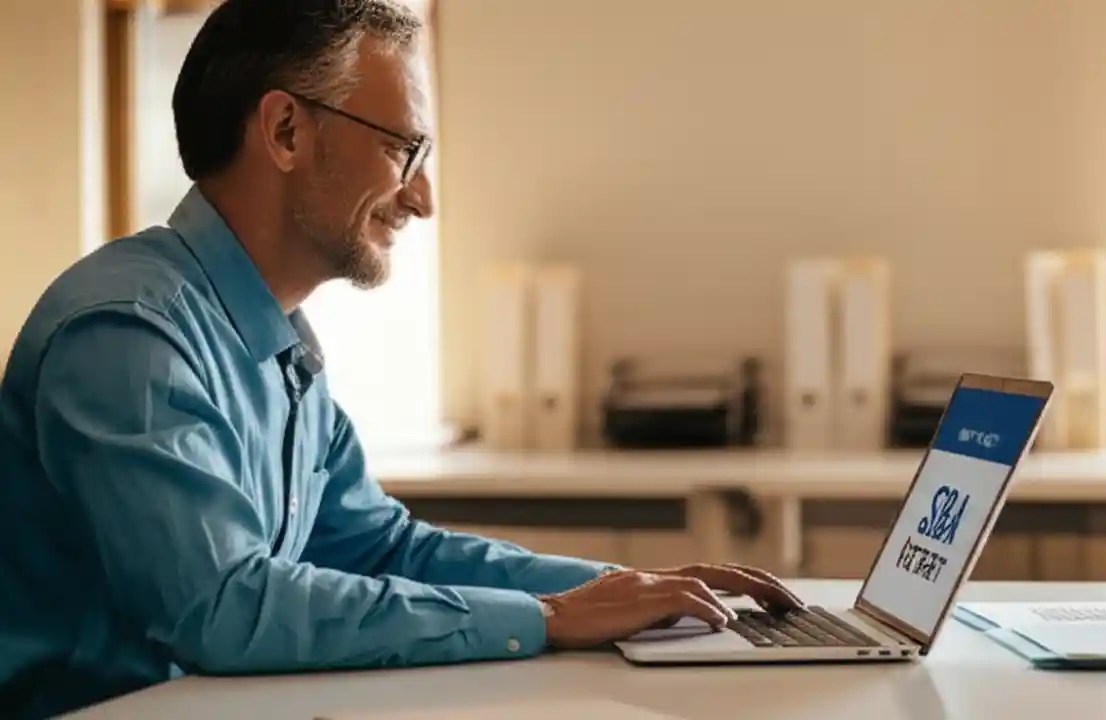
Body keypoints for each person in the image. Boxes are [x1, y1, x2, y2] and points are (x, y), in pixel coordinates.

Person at [0, 1, 802, 717]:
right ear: (285, 131)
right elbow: (223, 609)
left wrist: (623, 592)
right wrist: (551, 621)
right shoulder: (128, 336)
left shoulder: (275, 343)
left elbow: (382, 547)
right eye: (404, 151)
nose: (423, 199)